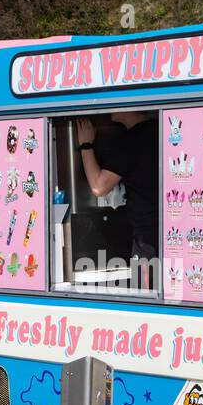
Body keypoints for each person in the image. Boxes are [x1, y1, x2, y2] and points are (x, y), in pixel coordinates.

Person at [75, 112, 160, 287]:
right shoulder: (157, 131)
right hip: (164, 234)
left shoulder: (135, 139)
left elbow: (99, 187)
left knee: (144, 294)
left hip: (146, 238)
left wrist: (85, 145)